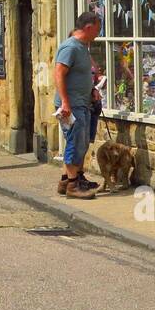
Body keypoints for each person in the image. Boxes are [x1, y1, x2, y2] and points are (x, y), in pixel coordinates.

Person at [54, 11, 102, 200]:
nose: (98, 33)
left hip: (82, 102)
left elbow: (81, 74)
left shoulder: (83, 47)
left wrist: (91, 89)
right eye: (97, 29)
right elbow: (59, 73)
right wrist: (65, 102)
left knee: (80, 143)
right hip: (71, 105)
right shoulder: (70, 47)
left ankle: (69, 180)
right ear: (88, 28)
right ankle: (73, 186)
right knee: (75, 143)